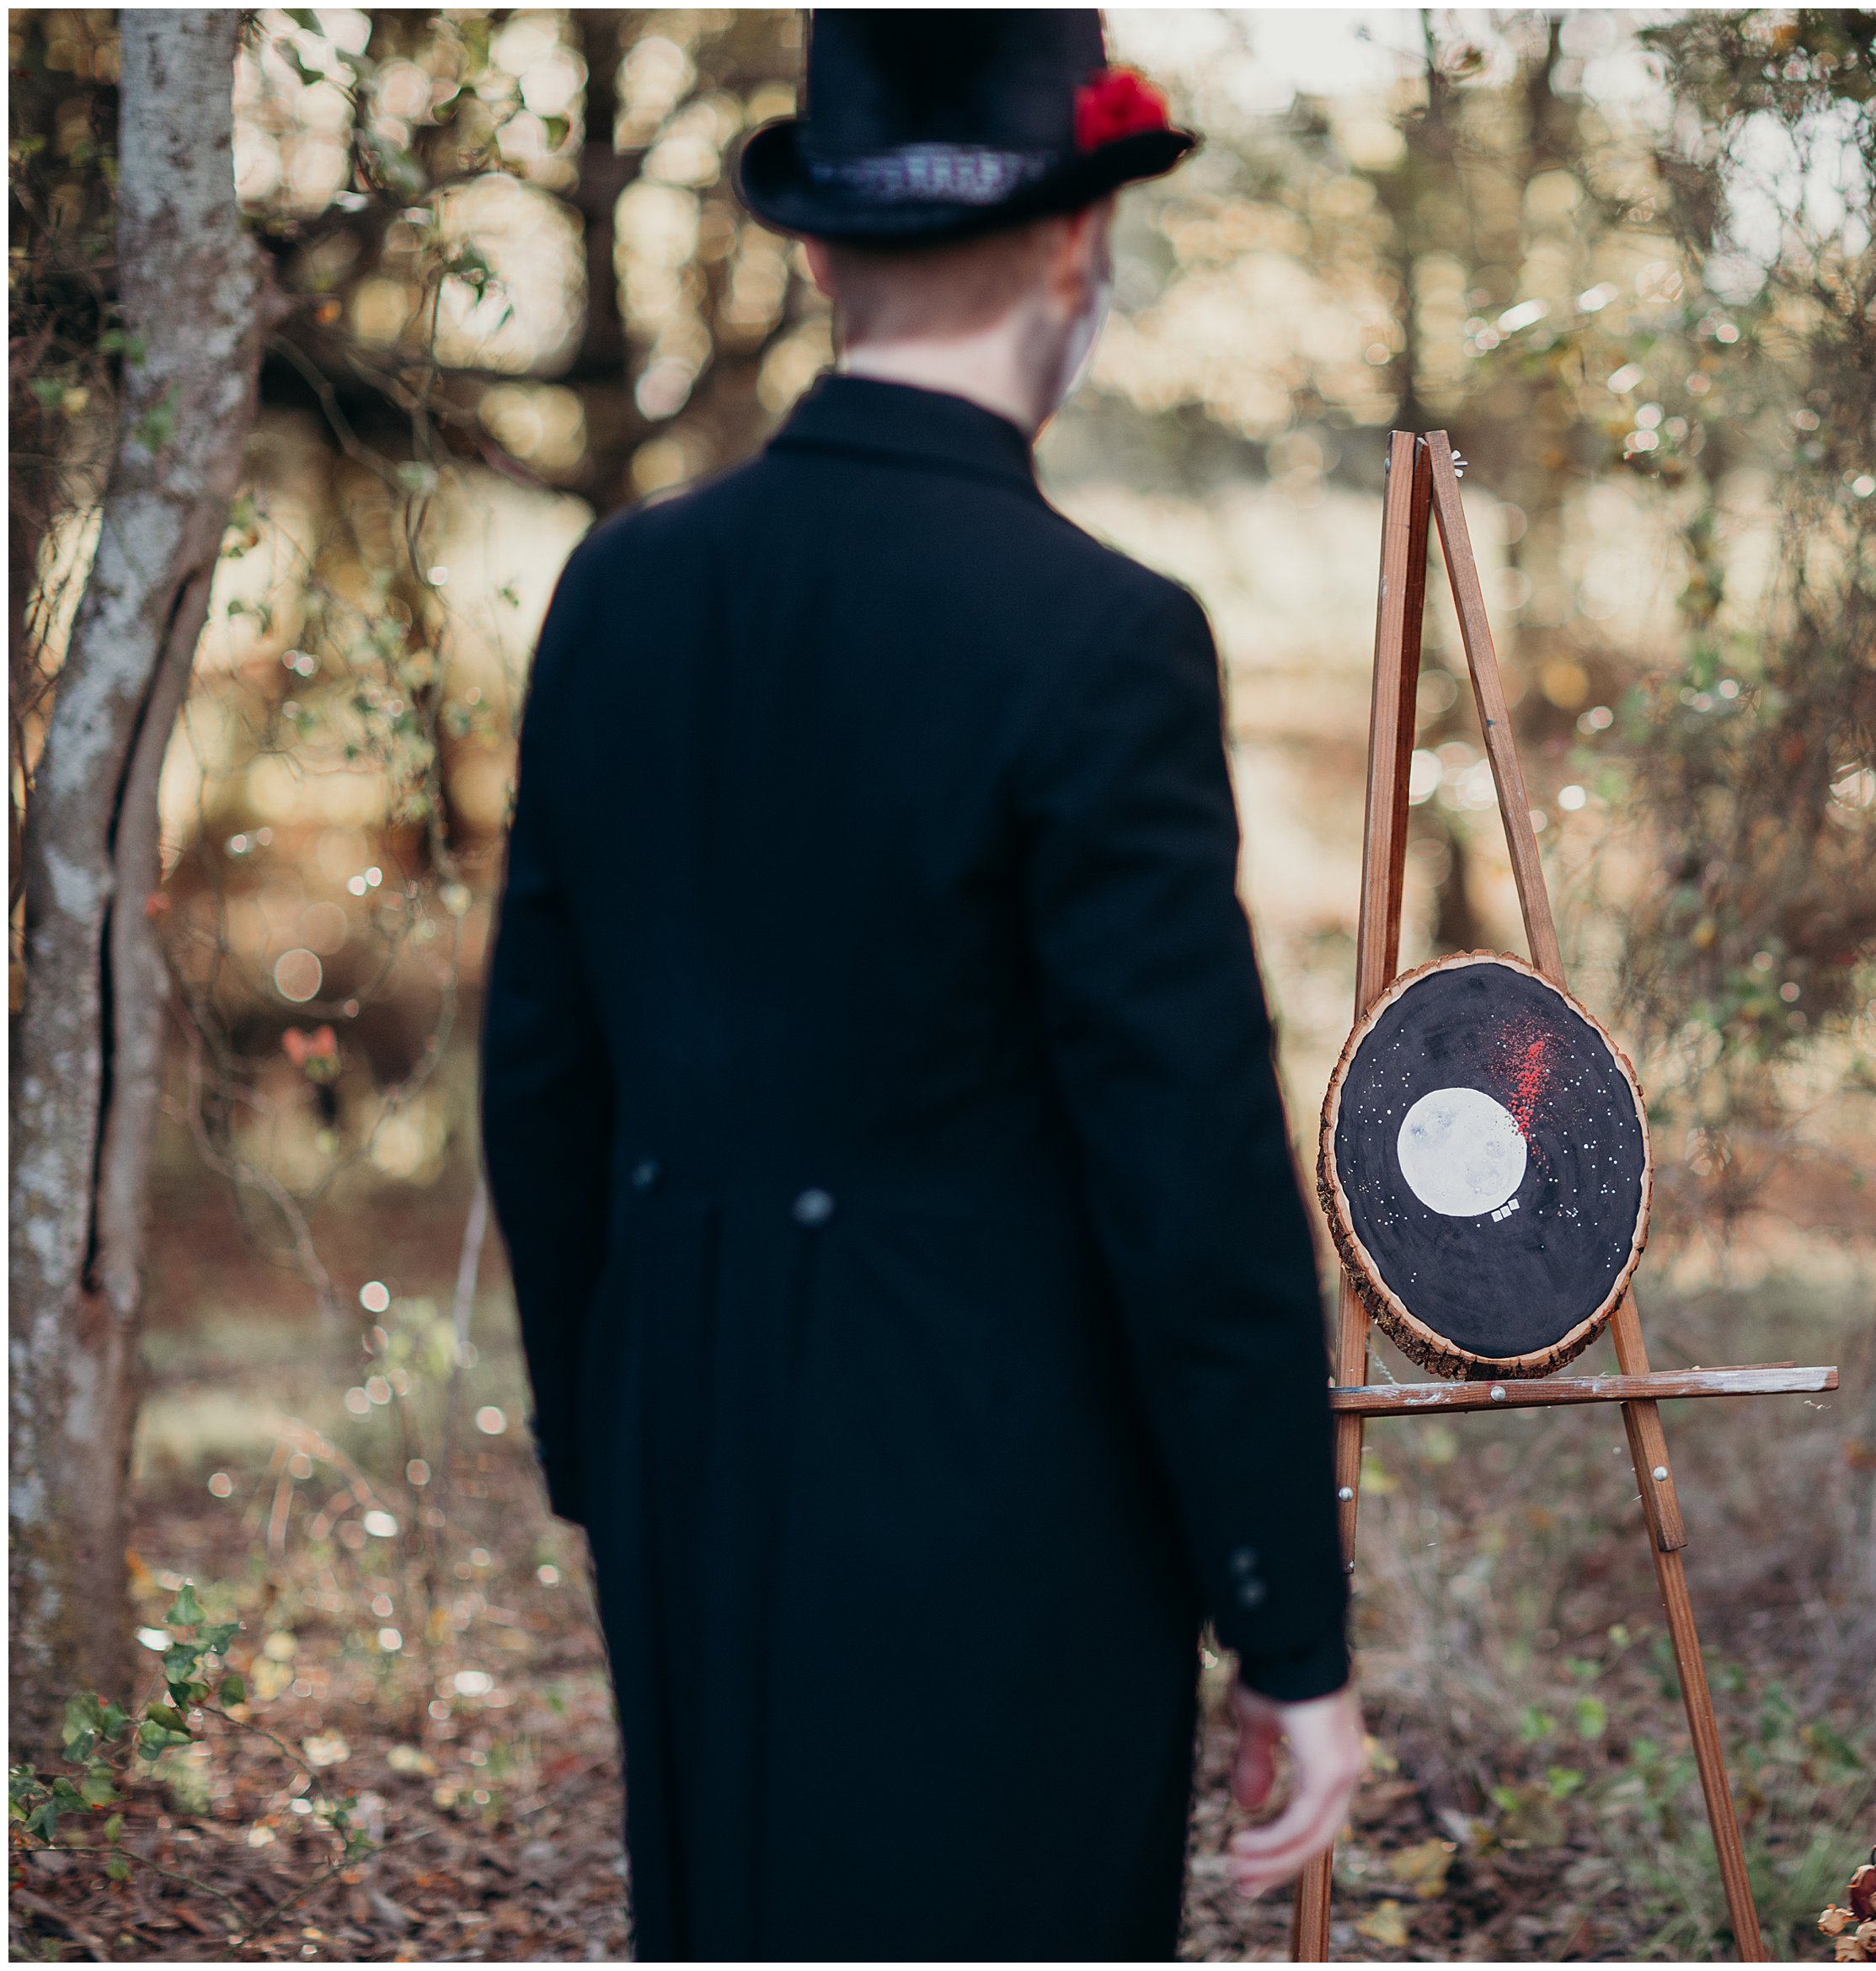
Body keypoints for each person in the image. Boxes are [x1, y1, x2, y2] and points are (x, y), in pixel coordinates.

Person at [480, 15, 1360, 1958]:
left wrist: (604, 1446)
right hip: (1009, 1499)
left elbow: (538, 1076)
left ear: (815, 258)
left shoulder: (619, 593)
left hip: (688, 1461)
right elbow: (1186, 1178)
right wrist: (1287, 1623)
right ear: (1073, 253)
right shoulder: (1102, 638)